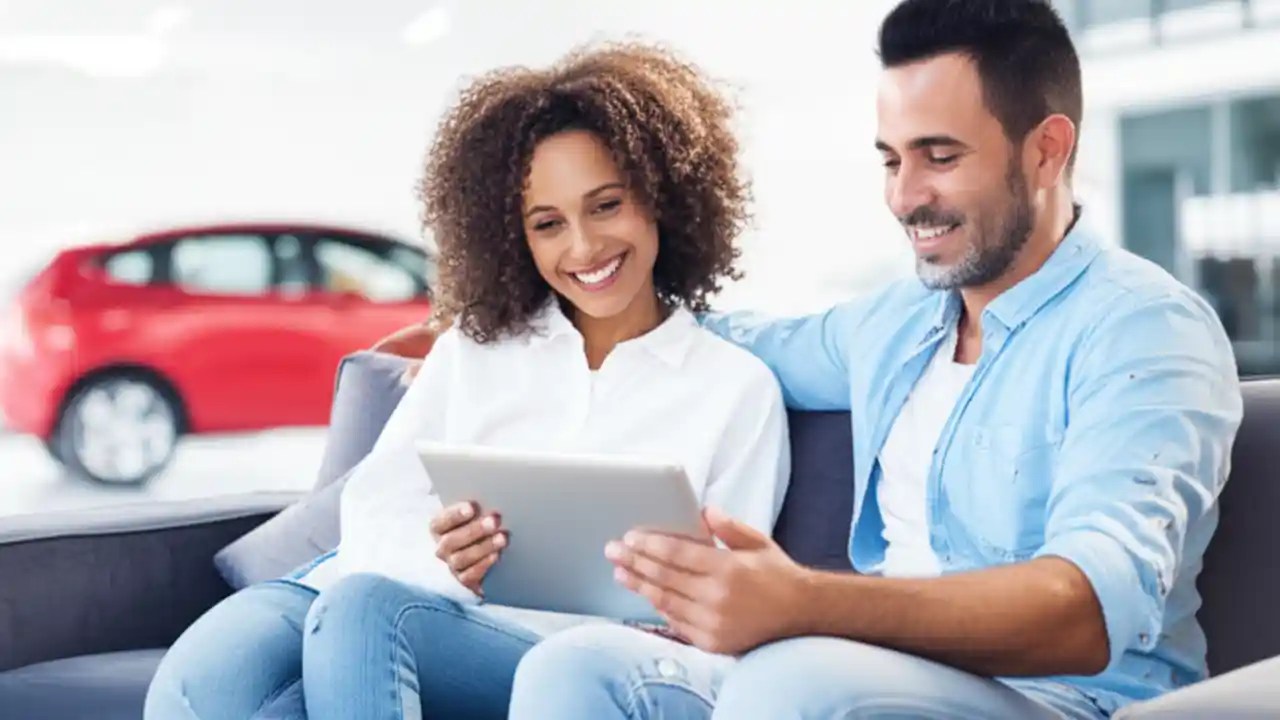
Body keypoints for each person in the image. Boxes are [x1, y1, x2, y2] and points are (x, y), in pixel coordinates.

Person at [507, 2, 1243, 719]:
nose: (904, 196)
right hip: (875, 680)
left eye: (940, 157)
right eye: (892, 159)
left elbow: (1086, 609)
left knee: (791, 678)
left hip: (1067, 700)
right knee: (575, 667)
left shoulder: (1145, 329)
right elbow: (721, 337)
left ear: (1047, 149)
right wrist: (512, 323)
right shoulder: (901, 321)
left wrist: (802, 603)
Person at [143, 42, 790, 720]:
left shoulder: (736, 390)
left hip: (538, 657)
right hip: (389, 603)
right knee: (205, 685)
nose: (584, 248)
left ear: (663, 195)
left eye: (606, 205)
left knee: (363, 612)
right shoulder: (478, 349)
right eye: (548, 224)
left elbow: (729, 603)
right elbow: (373, 513)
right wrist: (448, 558)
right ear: (517, 237)